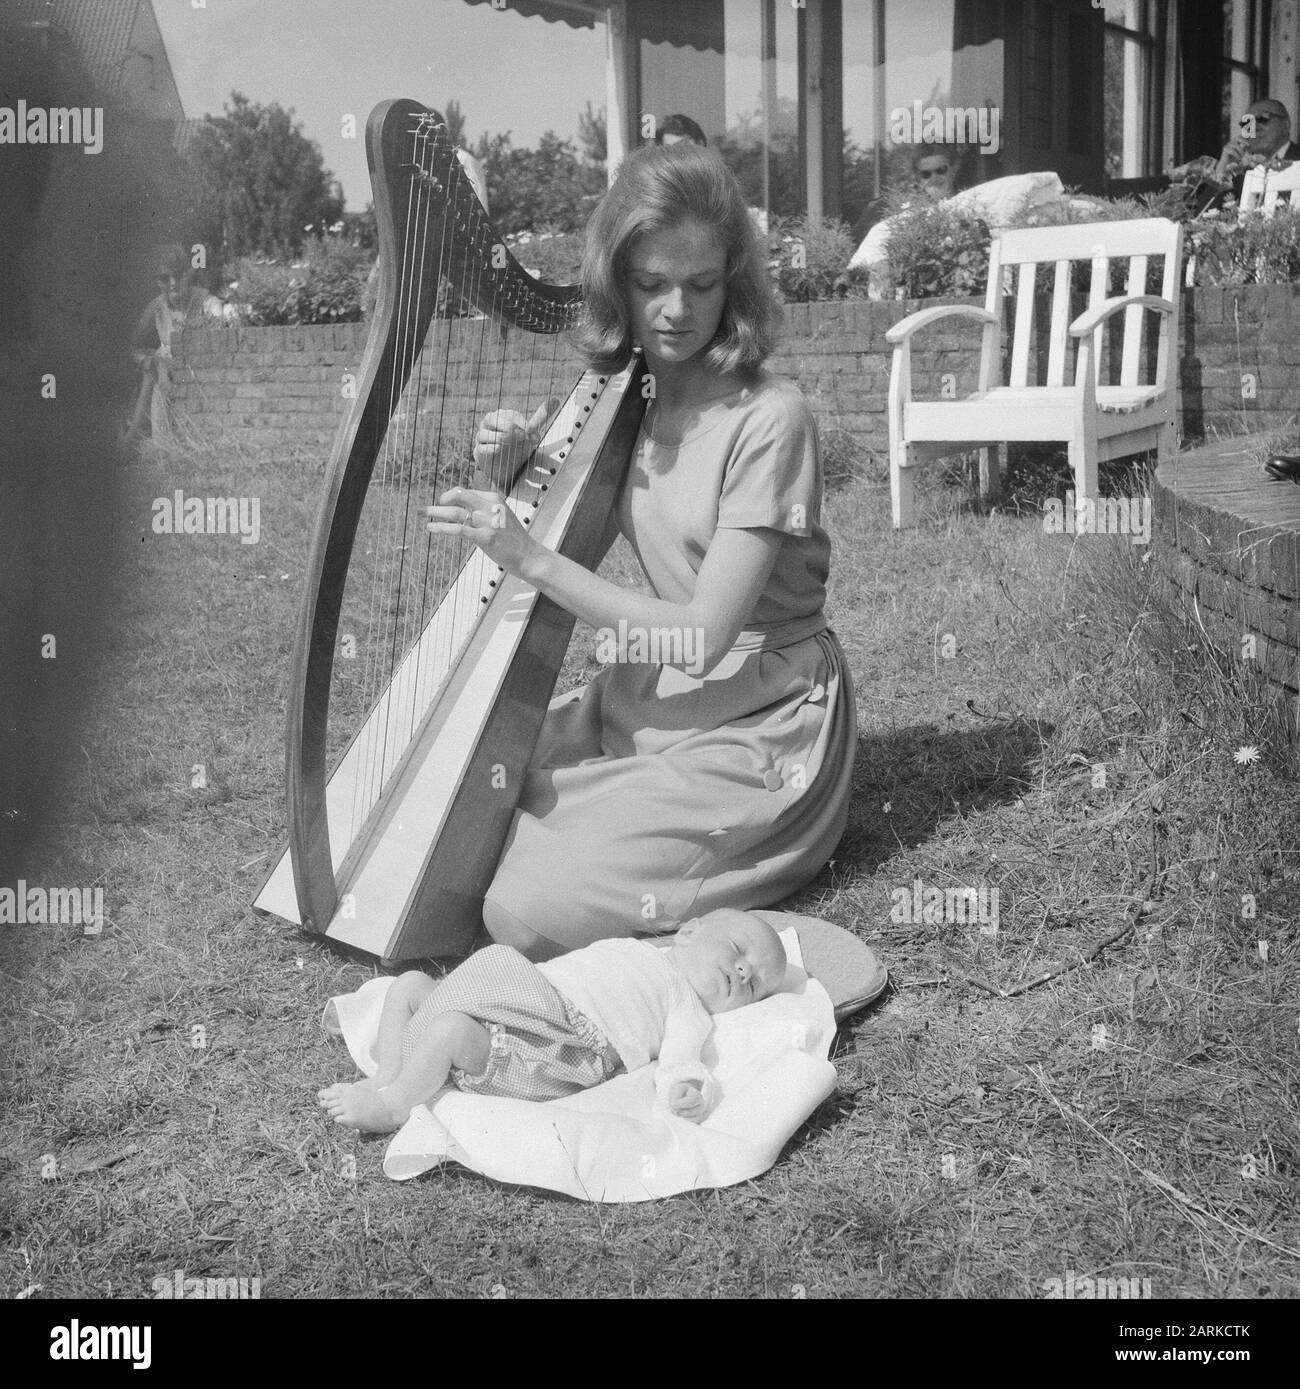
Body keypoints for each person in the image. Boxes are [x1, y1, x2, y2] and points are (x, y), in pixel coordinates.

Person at [425, 143, 856, 961]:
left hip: (762, 716)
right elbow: (569, 503)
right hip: (653, 693)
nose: (676, 310)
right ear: (616, 282)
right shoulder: (632, 398)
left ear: (734, 283)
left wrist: (533, 560)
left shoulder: (772, 419)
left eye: (701, 283)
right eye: (651, 283)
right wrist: (513, 461)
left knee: (522, 908)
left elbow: (703, 636)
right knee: (463, 788)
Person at [317, 908, 787, 1132]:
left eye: (757, 984)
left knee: (451, 1031)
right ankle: (387, 1074)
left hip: (565, 1048)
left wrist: (685, 1089)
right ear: (688, 933)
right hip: (528, 999)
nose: (746, 971)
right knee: (410, 984)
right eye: (737, 949)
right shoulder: (641, 948)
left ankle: (394, 1106)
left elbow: (681, 1063)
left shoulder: (688, 1008)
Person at [126, 246, 232, 448]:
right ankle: (148, 440)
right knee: (156, 365)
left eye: (179, 276)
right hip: (163, 373)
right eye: (165, 278)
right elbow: (128, 343)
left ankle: (137, 440)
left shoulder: (205, 302)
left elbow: (219, 335)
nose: (173, 284)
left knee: (158, 367)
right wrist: (145, 359)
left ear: (188, 275)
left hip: (193, 371)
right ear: (158, 282)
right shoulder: (158, 306)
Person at [1212, 98, 1299, 197]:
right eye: (1248, 123)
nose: (1255, 128)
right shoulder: (1240, 171)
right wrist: (1222, 169)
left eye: (1262, 119)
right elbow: (1204, 210)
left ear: (1286, 125)